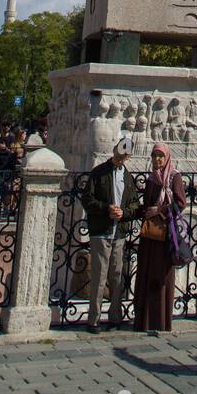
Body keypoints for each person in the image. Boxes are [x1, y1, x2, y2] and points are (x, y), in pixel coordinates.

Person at [82, 136, 140, 334]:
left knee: (117, 276)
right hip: (101, 231)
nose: (121, 159)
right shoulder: (99, 172)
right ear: (114, 151)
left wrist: (125, 213)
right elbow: (87, 199)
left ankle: (115, 316)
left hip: (119, 232)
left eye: (125, 157)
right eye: (120, 155)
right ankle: (94, 320)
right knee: (99, 277)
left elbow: (134, 203)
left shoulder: (127, 175)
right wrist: (106, 209)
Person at [133, 142, 186, 332]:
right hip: (149, 234)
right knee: (146, 274)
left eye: (160, 156)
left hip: (165, 235)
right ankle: (143, 319)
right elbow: (144, 205)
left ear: (166, 157)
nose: (157, 160)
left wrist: (160, 210)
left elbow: (180, 203)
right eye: (154, 156)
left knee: (161, 277)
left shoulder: (174, 177)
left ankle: (160, 320)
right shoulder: (151, 179)